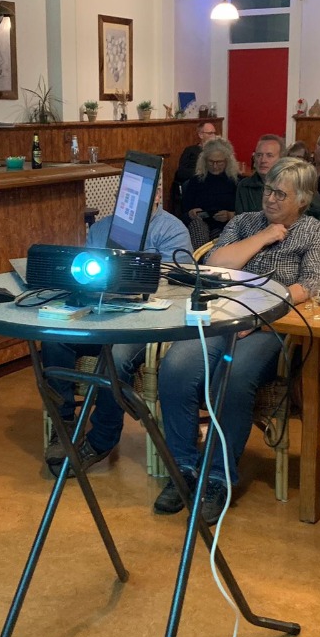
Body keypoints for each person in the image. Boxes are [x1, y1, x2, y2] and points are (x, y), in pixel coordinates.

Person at [155, 157, 320, 525]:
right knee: (175, 368)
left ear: (302, 199)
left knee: (232, 377)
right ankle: (183, 467)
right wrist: (265, 235)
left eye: (280, 194)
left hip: (270, 326)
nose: (270, 198)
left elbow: (312, 284)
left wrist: (257, 314)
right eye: (268, 190)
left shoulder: (317, 232)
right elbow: (216, 263)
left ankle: (217, 477)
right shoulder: (245, 223)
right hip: (222, 318)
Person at [42, 203, 192, 476]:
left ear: (156, 195)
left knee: (118, 357)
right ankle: (63, 423)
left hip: (144, 323)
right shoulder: (101, 229)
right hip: (99, 315)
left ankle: (101, 439)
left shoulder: (170, 229)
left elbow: (179, 283)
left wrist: (134, 279)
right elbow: (84, 276)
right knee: (55, 338)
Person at [235, 134, 320, 226]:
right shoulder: (244, 186)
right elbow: (240, 222)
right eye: (259, 155)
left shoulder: (298, 182)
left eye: (269, 155)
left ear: (281, 159)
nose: (263, 160)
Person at [181, 136, 239, 246]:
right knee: (198, 226)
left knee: (222, 236)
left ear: (227, 161)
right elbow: (183, 214)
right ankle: (200, 256)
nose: (215, 166)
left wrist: (230, 215)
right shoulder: (195, 181)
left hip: (224, 227)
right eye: (211, 162)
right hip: (200, 225)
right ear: (204, 161)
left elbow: (243, 214)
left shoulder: (235, 182)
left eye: (219, 162)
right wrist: (190, 214)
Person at [170, 121, 219, 212]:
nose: (214, 136)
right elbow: (181, 172)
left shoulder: (218, 152)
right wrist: (201, 172)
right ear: (201, 135)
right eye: (210, 133)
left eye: (214, 133)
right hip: (195, 180)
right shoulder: (191, 150)